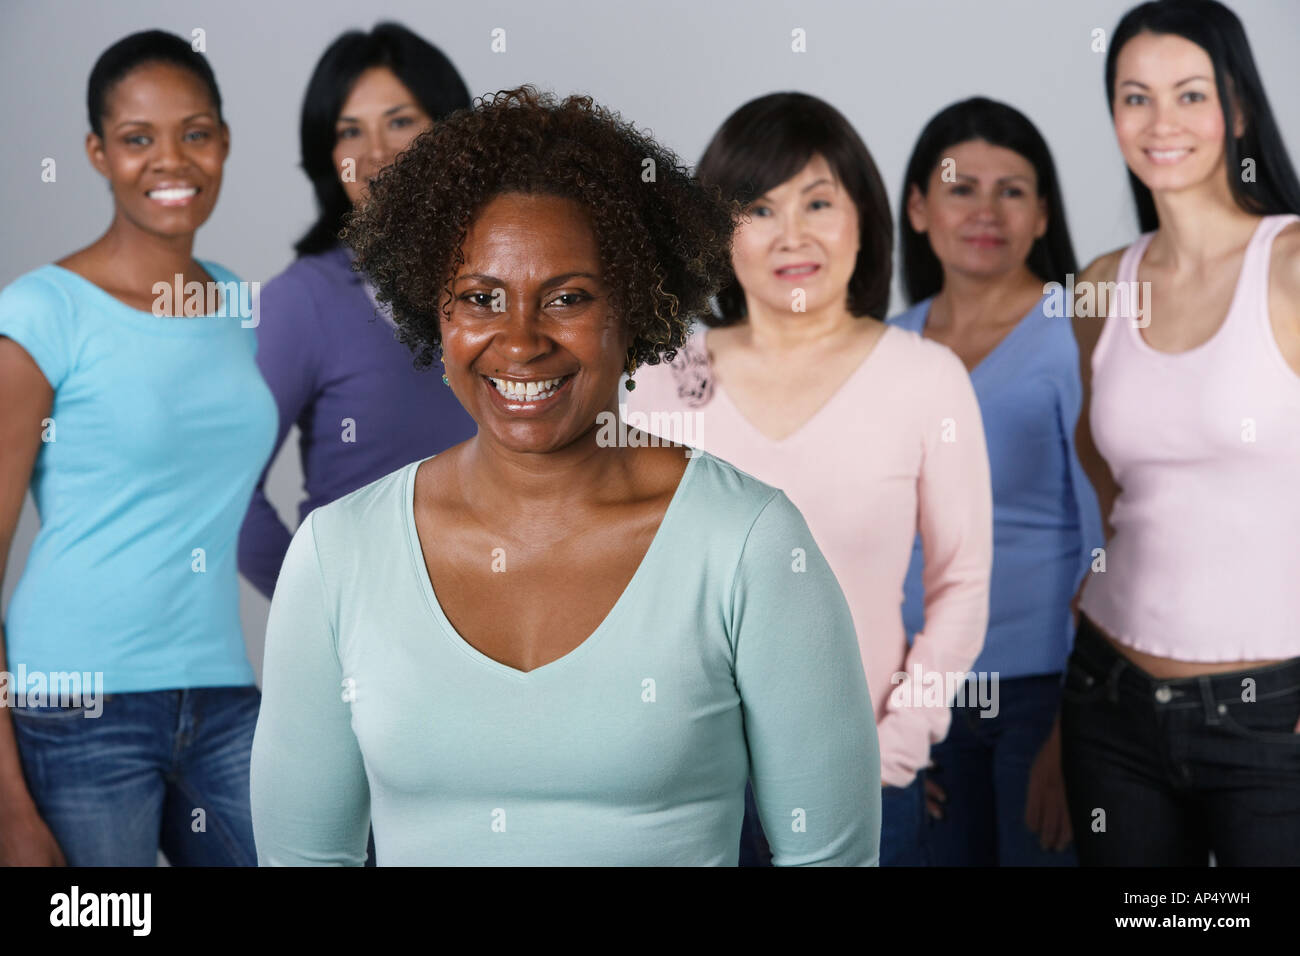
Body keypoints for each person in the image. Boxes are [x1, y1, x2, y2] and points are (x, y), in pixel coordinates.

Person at [249, 86, 882, 866]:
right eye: (481, 298)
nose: (520, 342)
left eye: (567, 299)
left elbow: (830, 859)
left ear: (634, 307)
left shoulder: (747, 544)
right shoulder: (337, 555)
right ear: (434, 313)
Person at [624, 92, 993, 866]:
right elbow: (620, 584)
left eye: (818, 202)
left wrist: (893, 750)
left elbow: (961, 586)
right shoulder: (661, 380)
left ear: (863, 215)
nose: (793, 235)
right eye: (758, 208)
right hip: (686, 795)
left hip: (862, 784)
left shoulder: (925, 378)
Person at [0, 30, 275, 866]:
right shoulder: (42, 313)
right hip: (75, 701)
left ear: (223, 142)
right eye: (136, 138)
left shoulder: (237, 303)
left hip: (222, 688)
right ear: (97, 152)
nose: (172, 161)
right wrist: (10, 812)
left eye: (194, 133)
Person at [1064, 0, 1300, 866]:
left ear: (1236, 109)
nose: (1161, 123)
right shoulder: (1099, 284)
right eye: (1135, 96)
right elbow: (1109, 485)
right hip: (1109, 698)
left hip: (1274, 715)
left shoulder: (1291, 263)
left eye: (1189, 94)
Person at [889, 96, 1104, 866]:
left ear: (1043, 214)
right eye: (959, 187)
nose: (987, 211)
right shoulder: (883, 349)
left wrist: (1072, 731)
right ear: (917, 208)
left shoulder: (1079, 335)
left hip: (1043, 693)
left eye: (1012, 190)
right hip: (918, 698)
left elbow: (1106, 536)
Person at [238, 22, 476, 602]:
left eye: (400, 121)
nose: (377, 153)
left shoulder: (512, 282)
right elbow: (222, 492)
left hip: (520, 641)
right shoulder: (302, 302)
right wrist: (324, 615)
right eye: (350, 131)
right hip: (372, 670)